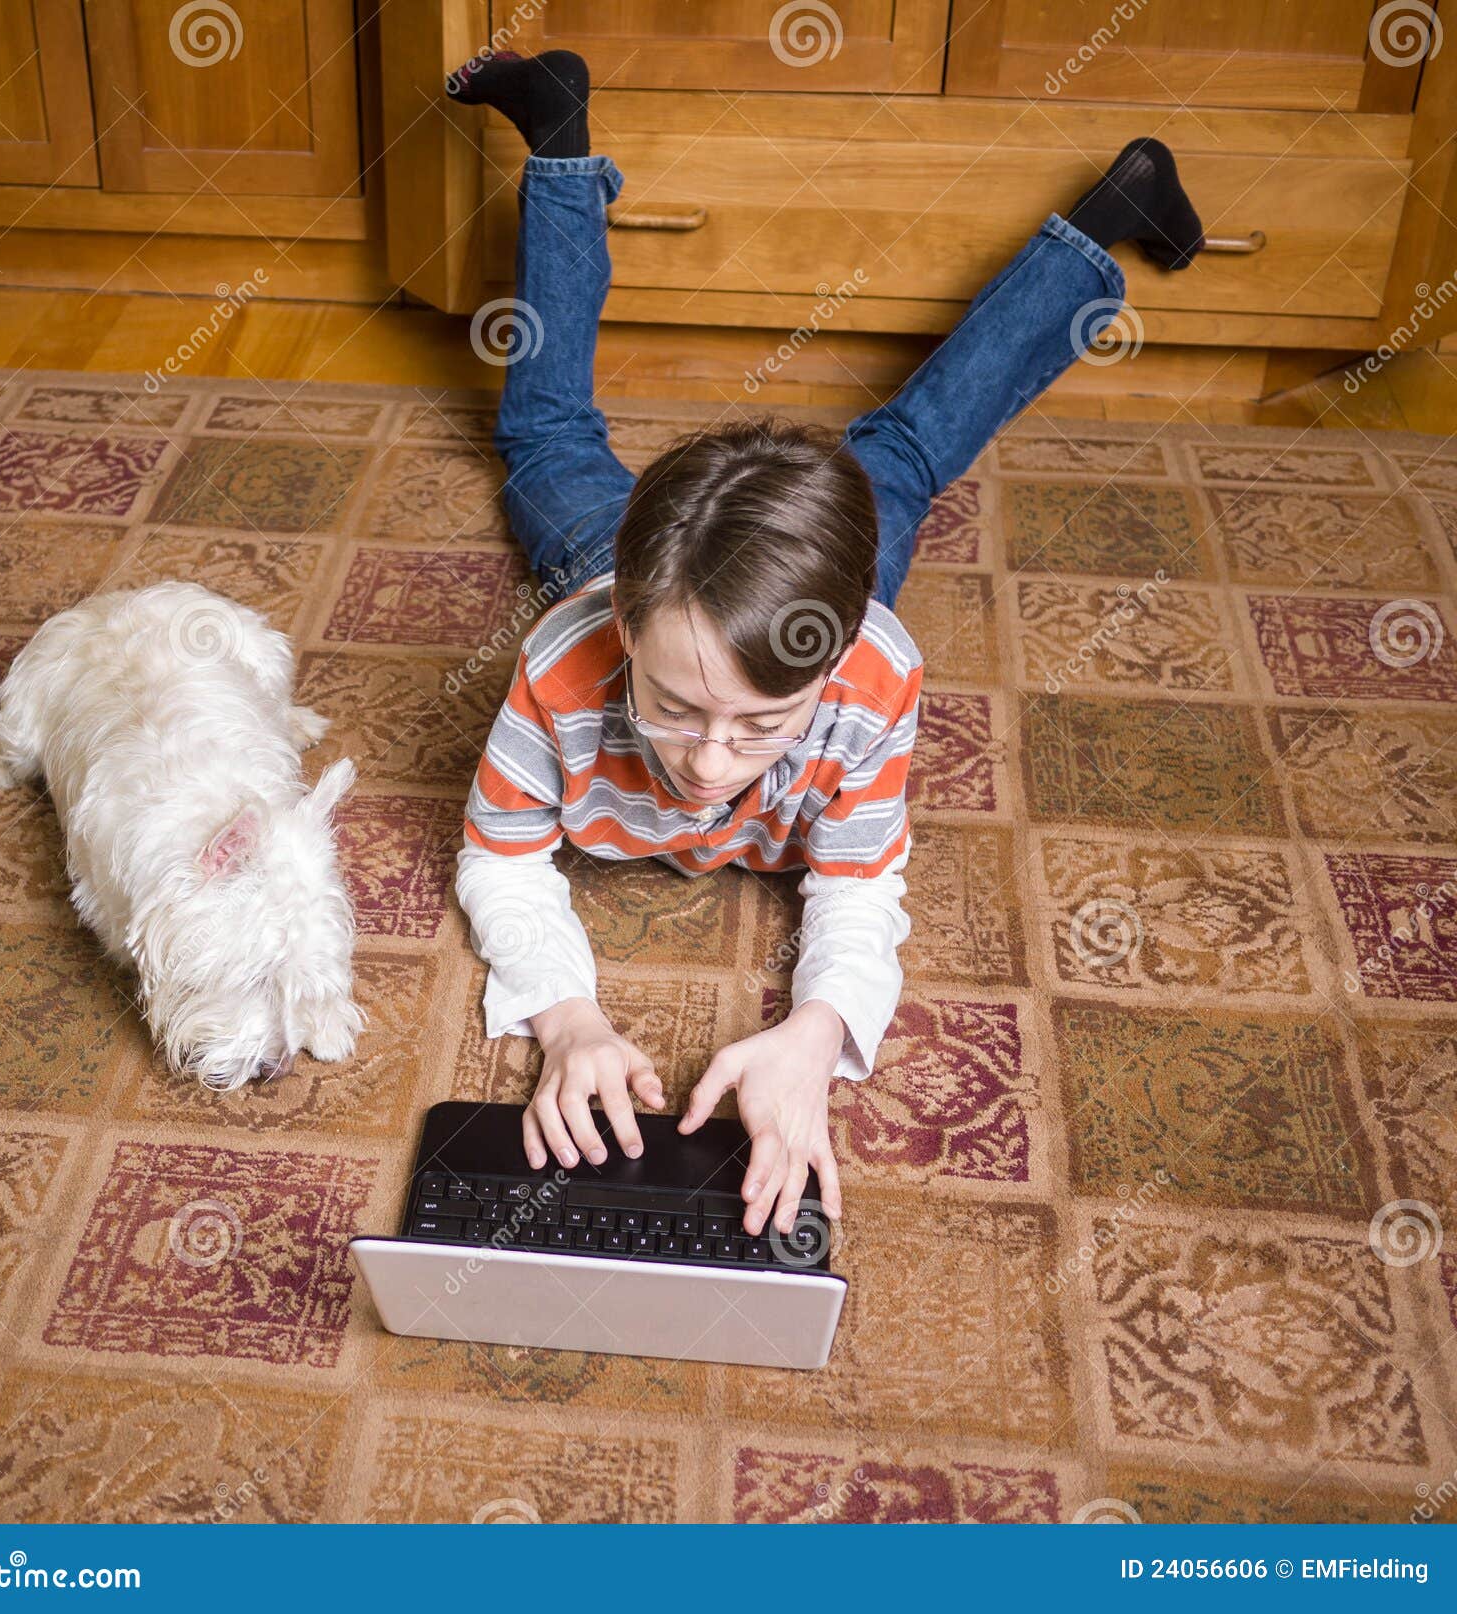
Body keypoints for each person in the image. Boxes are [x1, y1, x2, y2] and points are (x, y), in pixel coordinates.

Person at [446, 49, 1203, 1240]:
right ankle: (560, 142)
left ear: (834, 651)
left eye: (762, 723)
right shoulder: (566, 654)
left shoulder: (868, 669)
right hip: (617, 541)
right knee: (543, 436)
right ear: (629, 629)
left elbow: (857, 884)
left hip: (801, 565)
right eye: (677, 705)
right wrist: (567, 1020)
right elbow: (498, 856)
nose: (707, 766)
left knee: (894, 462)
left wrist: (817, 1032)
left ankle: (1104, 231)